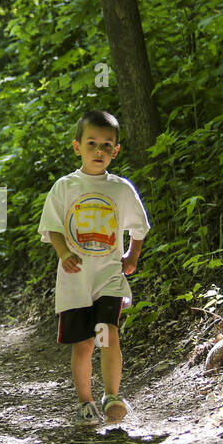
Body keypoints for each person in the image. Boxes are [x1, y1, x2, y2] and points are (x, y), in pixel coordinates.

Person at [38, 110, 150, 426]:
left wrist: (132, 257)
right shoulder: (65, 186)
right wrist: (63, 253)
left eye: (106, 145)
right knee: (85, 344)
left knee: (107, 333)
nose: (98, 152)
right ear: (77, 147)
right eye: (91, 144)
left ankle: (112, 396)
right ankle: (85, 402)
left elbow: (139, 228)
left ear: (116, 150)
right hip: (74, 281)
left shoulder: (120, 188)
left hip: (108, 276)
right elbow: (52, 226)